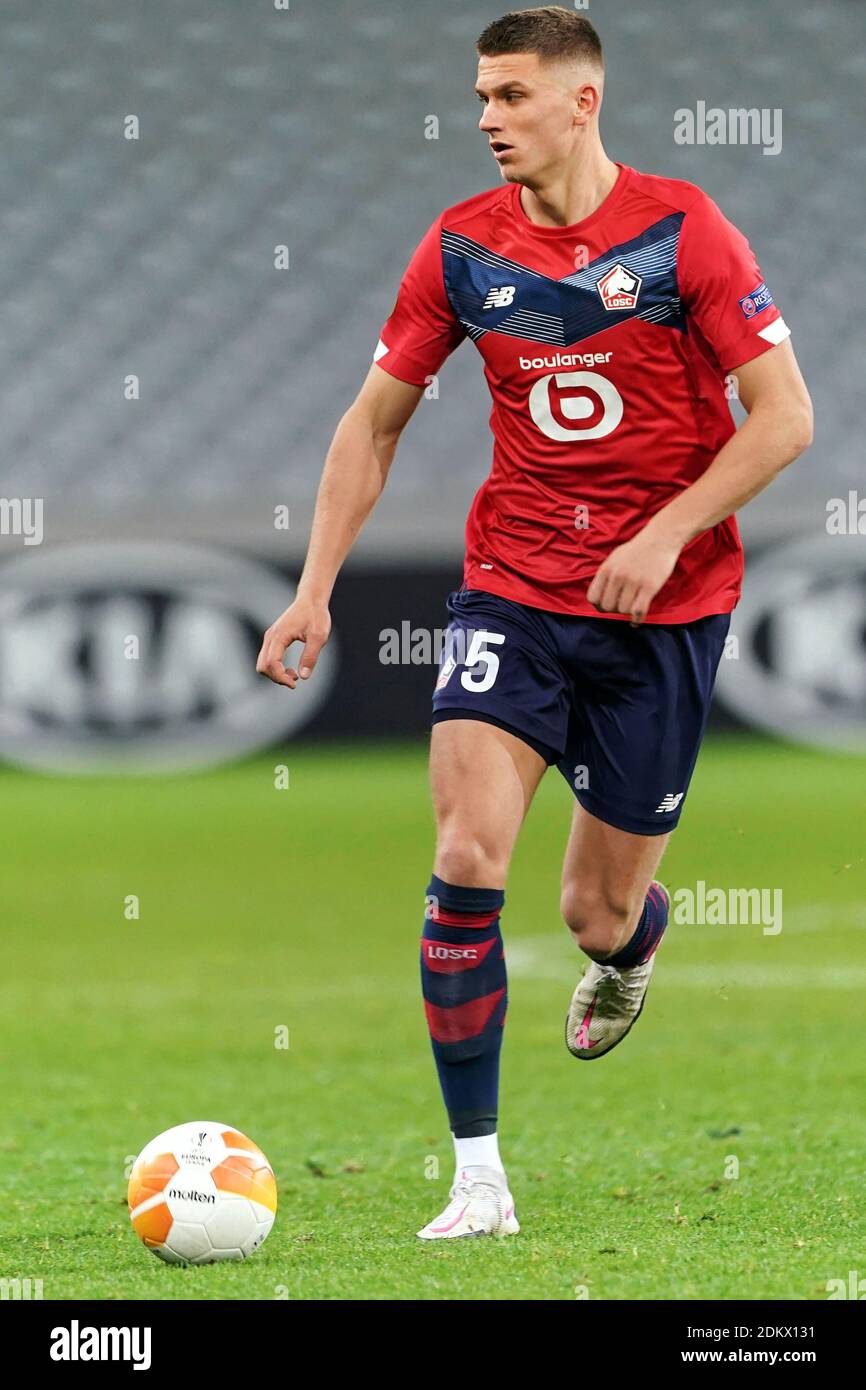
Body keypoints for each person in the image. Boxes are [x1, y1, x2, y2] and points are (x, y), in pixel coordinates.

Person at [256, 6, 813, 1240]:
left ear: (581, 101)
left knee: (590, 916)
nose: (487, 119)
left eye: (509, 96)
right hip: (512, 583)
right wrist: (314, 585)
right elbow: (373, 421)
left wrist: (664, 531)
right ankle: (477, 1178)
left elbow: (783, 417)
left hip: (664, 606)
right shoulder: (461, 246)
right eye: (480, 97)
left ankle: (633, 943)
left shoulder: (682, 232)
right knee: (465, 856)